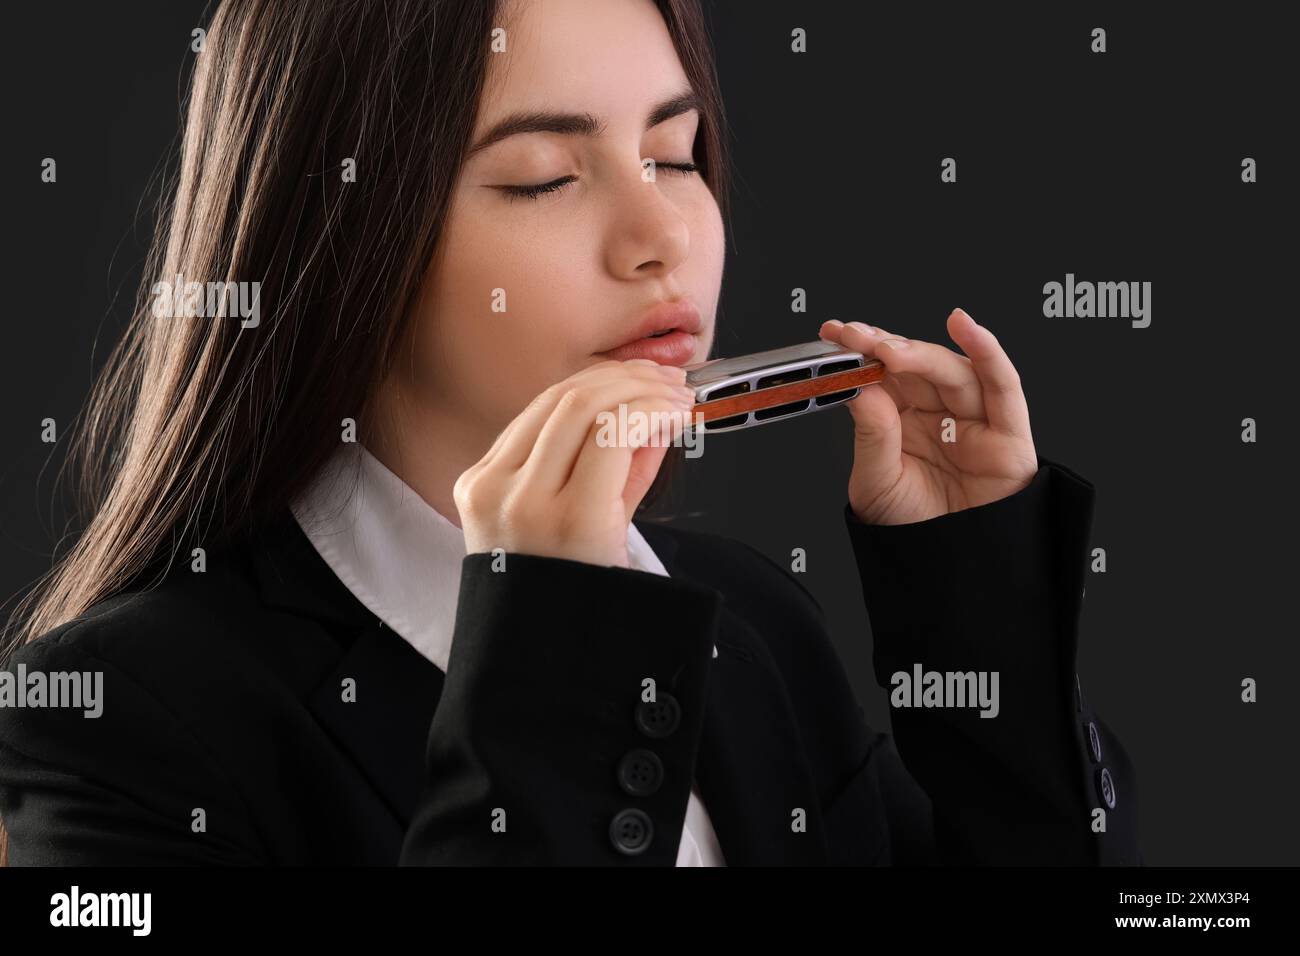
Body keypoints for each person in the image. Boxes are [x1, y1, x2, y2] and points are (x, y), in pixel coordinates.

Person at [0, 0, 1138, 865]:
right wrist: (550, 656)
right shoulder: (119, 724)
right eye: (545, 177)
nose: (661, 234)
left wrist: (974, 608)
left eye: (678, 154)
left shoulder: (750, 624)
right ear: (346, 239)